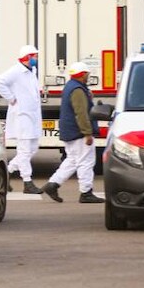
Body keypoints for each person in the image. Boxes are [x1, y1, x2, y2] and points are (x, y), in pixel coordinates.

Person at [41, 62, 104, 203]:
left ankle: (53, 184)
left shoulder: (72, 87)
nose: (88, 76)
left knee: (72, 160)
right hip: (78, 133)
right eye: (87, 74)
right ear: (82, 75)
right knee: (86, 162)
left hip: (70, 131)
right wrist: (87, 133)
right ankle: (86, 192)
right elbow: (81, 113)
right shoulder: (78, 90)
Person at [0, 44, 43, 194]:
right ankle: (27, 182)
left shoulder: (31, 71)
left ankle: (6, 173)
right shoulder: (16, 71)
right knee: (25, 150)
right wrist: (11, 98)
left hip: (32, 116)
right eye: (34, 56)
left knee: (32, 148)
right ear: (27, 57)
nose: (36, 58)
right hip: (22, 117)